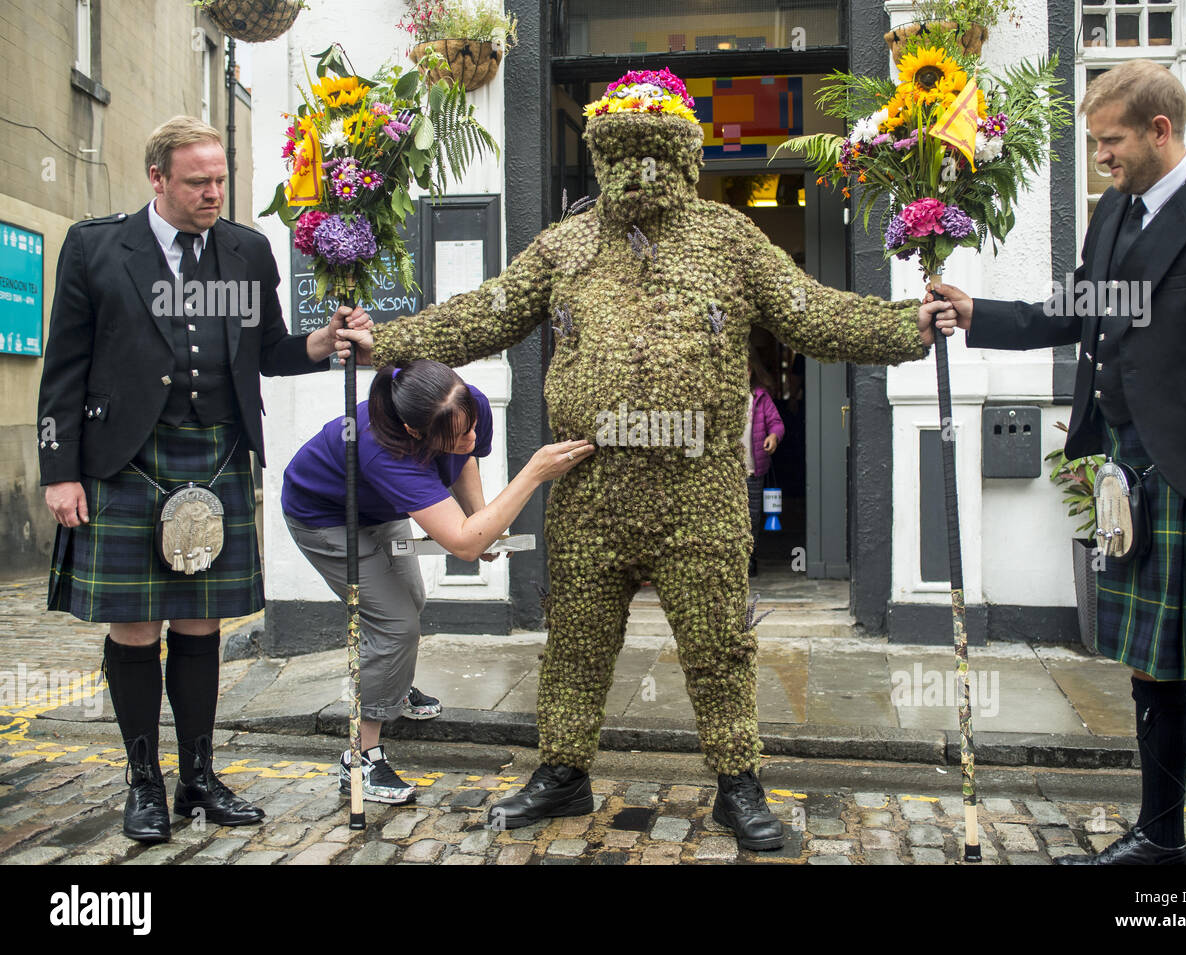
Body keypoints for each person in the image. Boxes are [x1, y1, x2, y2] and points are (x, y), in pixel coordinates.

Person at [337, 68, 929, 850]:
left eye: (654, 150)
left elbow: (811, 312)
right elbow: (488, 312)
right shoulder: (568, 244)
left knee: (719, 644)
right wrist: (391, 341)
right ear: (599, 157)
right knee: (577, 641)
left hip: (699, 487)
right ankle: (564, 769)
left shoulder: (729, 238)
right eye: (620, 152)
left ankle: (737, 781)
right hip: (590, 483)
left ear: (685, 156)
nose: (638, 169)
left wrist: (908, 327)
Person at [918, 59, 1186, 865]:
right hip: (1134, 477)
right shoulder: (1115, 216)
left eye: (1110, 139)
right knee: (1153, 670)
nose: (1100, 155)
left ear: (1161, 130)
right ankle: (1160, 836)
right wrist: (977, 311)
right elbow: (1079, 308)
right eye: (1095, 141)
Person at [37, 116, 366, 844]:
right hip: (126, 460)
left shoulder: (247, 250)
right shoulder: (97, 248)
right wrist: (60, 471)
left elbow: (274, 349)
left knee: (200, 623)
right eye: (197, 182)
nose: (213, 192)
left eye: (220, 179)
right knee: (135, 625)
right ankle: (142, 780)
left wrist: (327, 341)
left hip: (215, 456)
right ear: (158, 179)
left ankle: (199, 774)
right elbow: (62, 368)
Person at [281, 359, 594, 802]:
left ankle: (392, 683)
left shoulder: (462, 404)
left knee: (413, 598)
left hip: (383, 509)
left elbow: (465, 465)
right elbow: (465, 547)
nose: (470, 439)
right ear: (414, 433)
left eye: (471, 427)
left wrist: (480, 519)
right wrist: (532, 474)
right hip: (327, 519)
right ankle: (361, 759)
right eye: (456, 435)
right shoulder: (382, 448)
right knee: (393, 626)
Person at [744, 349, 785, 577]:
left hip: (754, 469)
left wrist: (774, 436)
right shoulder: (726, 397)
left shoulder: (760, 397)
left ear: (752, 371)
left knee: (752, 516)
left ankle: (750, 558)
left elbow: (777, 423)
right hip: (729, 472)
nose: (744, 372)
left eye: (747, 368)